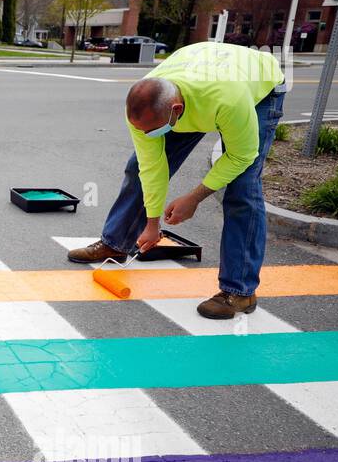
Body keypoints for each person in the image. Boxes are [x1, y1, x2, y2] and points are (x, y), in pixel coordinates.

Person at [67, 41, 287, 319]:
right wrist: (151, 224)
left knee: (243, 189)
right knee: (137, 167)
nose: (147, 136)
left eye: (153, 130)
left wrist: (194, 198)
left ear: (176, 110)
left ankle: (240, 291)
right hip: (198, 89)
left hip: (257, 91)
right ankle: (116, 243)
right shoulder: (144, 104)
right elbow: (151, 166)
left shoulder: (228, 100)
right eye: (142, 130)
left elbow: (241, 157)